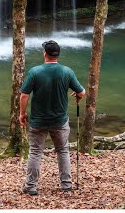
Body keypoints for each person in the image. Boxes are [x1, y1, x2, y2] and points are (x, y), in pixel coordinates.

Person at [19, 39, 85, 195]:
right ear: (58, 55)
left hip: (38, 121)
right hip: (60, 121)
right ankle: (66, 185)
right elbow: (82, 92)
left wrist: (22, 114)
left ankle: (31, 186)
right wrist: (78, 95)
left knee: (35, 152)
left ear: (45, 54)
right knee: (63, 151)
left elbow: (24, 95)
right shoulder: (67, 71)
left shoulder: (35, 72)